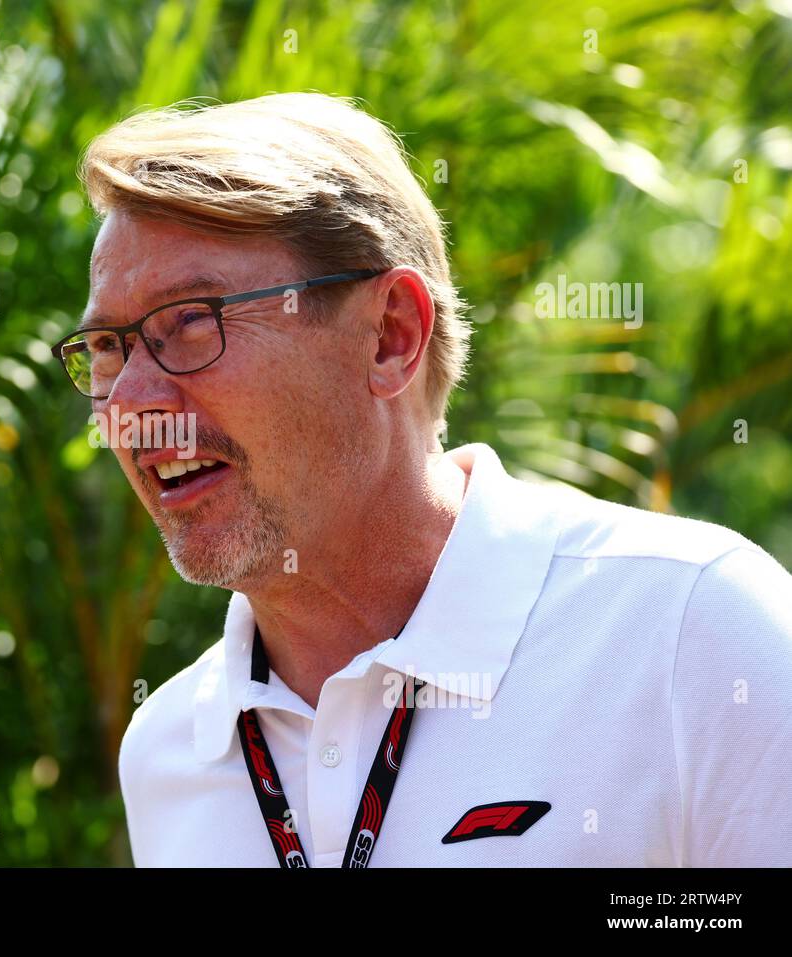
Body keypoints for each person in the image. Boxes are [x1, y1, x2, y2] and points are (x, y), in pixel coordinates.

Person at [50, 93, 792, 867]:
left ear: (390, 337)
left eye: (191, 321)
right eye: (107, 347)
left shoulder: (692, 631)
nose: (129, 406)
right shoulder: (167, 751)